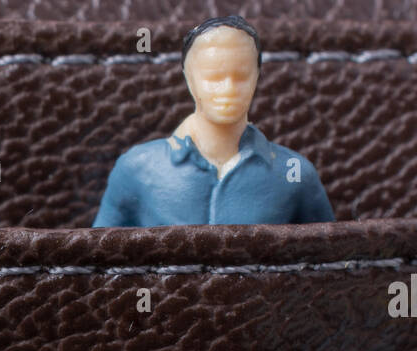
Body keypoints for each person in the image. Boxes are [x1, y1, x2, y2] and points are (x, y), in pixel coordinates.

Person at [93, 16, 334, 227]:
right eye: (214, 77)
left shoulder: (294, 171)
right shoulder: (138, 167)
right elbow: (100, 258)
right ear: (189, 78)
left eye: (241, 76)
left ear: (257, 77)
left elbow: (325, 259)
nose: (228, 89)